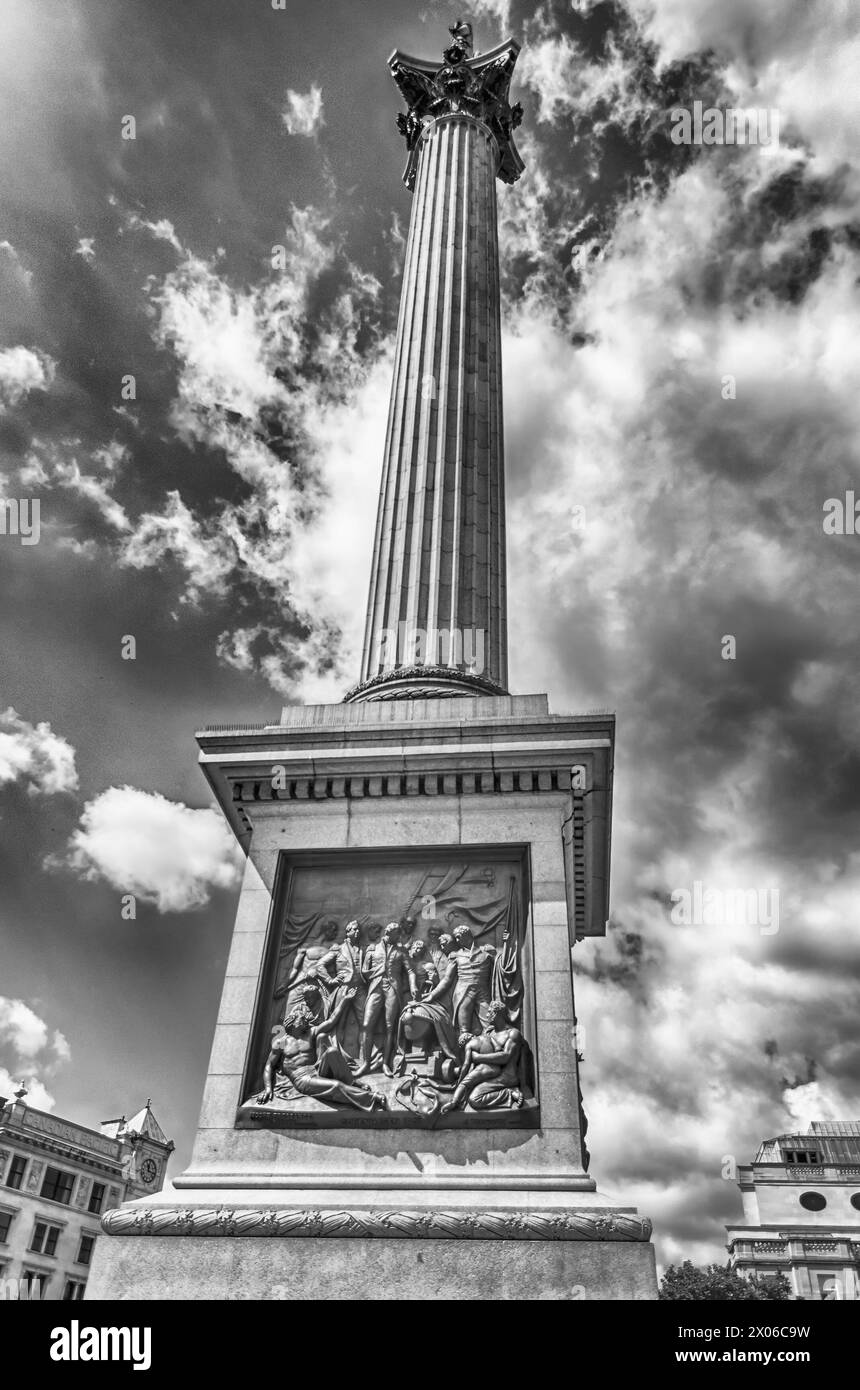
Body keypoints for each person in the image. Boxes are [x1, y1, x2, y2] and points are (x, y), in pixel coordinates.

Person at [259, 1000, 386, 1113]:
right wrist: (268, 1089)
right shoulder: (280, 1042)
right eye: (302, 1019)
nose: (306, 1021)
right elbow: (269, 1066)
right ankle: (372, 1098)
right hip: (302, 1078)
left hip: (317, 1070)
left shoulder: (310, 1033)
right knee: (335, 1086)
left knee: (331, 1051)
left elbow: (331, 1021)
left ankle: (351, 1082)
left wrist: (346, 1000)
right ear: (292, 1022)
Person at [355, 922, 418, 1077]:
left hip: (392, 989)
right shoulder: (372, 948)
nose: (400, 938)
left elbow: (410, 970)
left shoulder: (401, 950)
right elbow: (363, 971)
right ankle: (366, 1063)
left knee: (390, 1027)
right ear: (389, 933)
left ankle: (385, 1064)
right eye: (398, 935)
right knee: (366, 1023)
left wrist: (413, 985)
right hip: (376, 987)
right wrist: (377, 971)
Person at [440, 999, 523, 1113]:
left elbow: (506, 1056)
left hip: (505, 1077)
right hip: (487, 1073)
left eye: (489, 1012)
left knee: (474, 1099)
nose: (487, 1015)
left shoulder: (512, 1033)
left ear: (496, 1014)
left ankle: (509, 1093)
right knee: (467, 1089)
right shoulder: (489, 1032)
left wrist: (478, 1058)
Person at [426, 924, 495, 1036]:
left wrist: (507, 944)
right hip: (463, 993)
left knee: (490, 1023)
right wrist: (432, 995)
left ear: (467, 935)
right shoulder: (455, 956)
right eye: (456, 938)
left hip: (483, 992)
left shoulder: (486, 952)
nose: (457, 940)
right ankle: (467, 1051)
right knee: (464, 1029)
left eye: (458, 937)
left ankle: (489, 1048)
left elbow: (498, 971)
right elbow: (447, 980)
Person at [330, 920, 366, 1056]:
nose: (357, 932)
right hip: (344, 988)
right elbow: (320, 965)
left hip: (360, 989)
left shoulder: (362, 949)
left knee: (365, 1023)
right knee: (339, 1022)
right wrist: (330, 979)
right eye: (355, 930)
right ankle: (337, 1054)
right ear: (348, 931)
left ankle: (363, 1057)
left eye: (359, 931)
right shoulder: (338, 948)